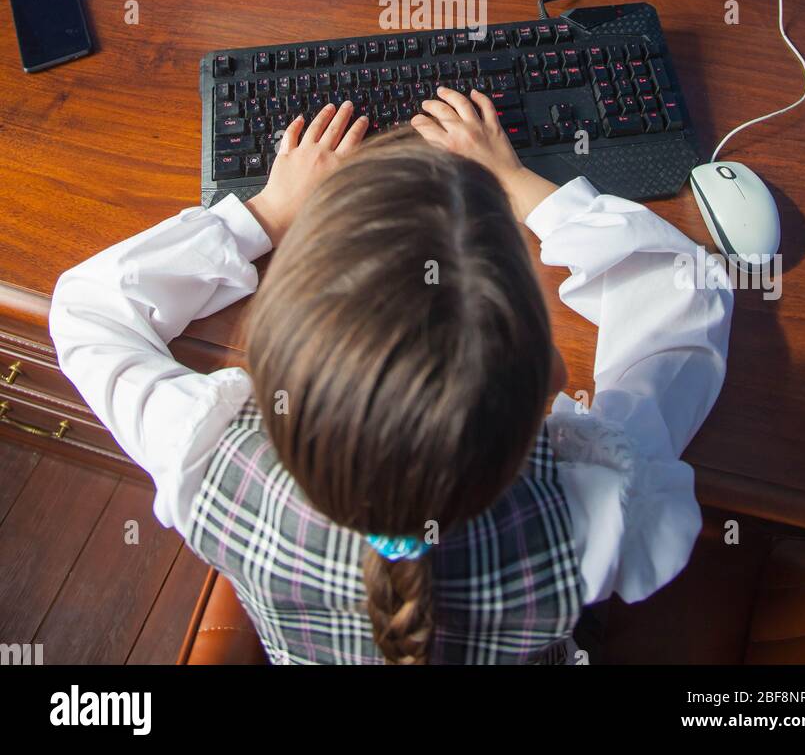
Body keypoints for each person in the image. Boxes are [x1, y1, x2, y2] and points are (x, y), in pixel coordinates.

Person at [50, 88, 732, 665]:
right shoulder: (604, 512)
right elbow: (682, 291)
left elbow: (87, 312)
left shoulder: (209, 466)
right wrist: (522, 185)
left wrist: (265, 213)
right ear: (548, 383)